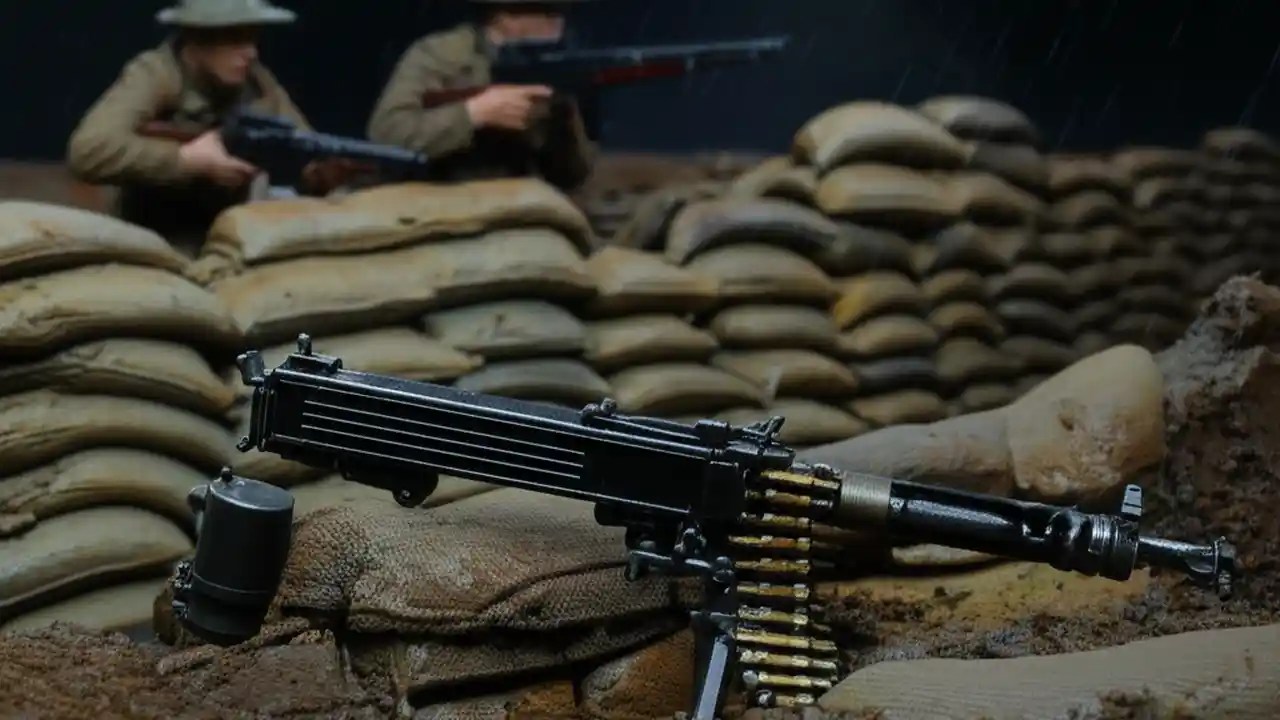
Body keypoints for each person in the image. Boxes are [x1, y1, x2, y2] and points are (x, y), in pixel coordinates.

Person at [66, 0, 309, 257]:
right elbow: (88, 150)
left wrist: (318, 172)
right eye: (234, 38)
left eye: (252, 37)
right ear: (196, 39)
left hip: (227, 239)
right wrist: (187, 160)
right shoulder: (157, 73)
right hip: (151, 237)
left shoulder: (258, 83)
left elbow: (304, 144)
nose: (251, 53)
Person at [366, 0, 596, 190]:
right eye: (547, 12)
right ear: (504, 17)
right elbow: (387, 135)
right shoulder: (442, 55)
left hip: (521, 206)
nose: (558, 25)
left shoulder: (551, 65)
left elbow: (574, 175)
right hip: (441, 200)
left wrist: (561, 118)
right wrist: (474, 113)